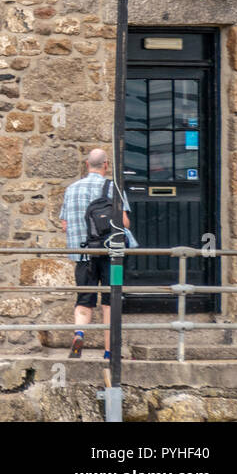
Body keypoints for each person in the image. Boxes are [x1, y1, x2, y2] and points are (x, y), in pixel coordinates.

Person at [59, 149, 131, 360]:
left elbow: (65, 225)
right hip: (112, 256)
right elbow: (124, 222)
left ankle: (79, 334)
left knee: (84, 299)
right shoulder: (113, 189)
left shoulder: (71, 189)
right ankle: (109, 352)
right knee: (110, 301)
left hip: (83, 256)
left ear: (87, 164)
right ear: (106, 165)